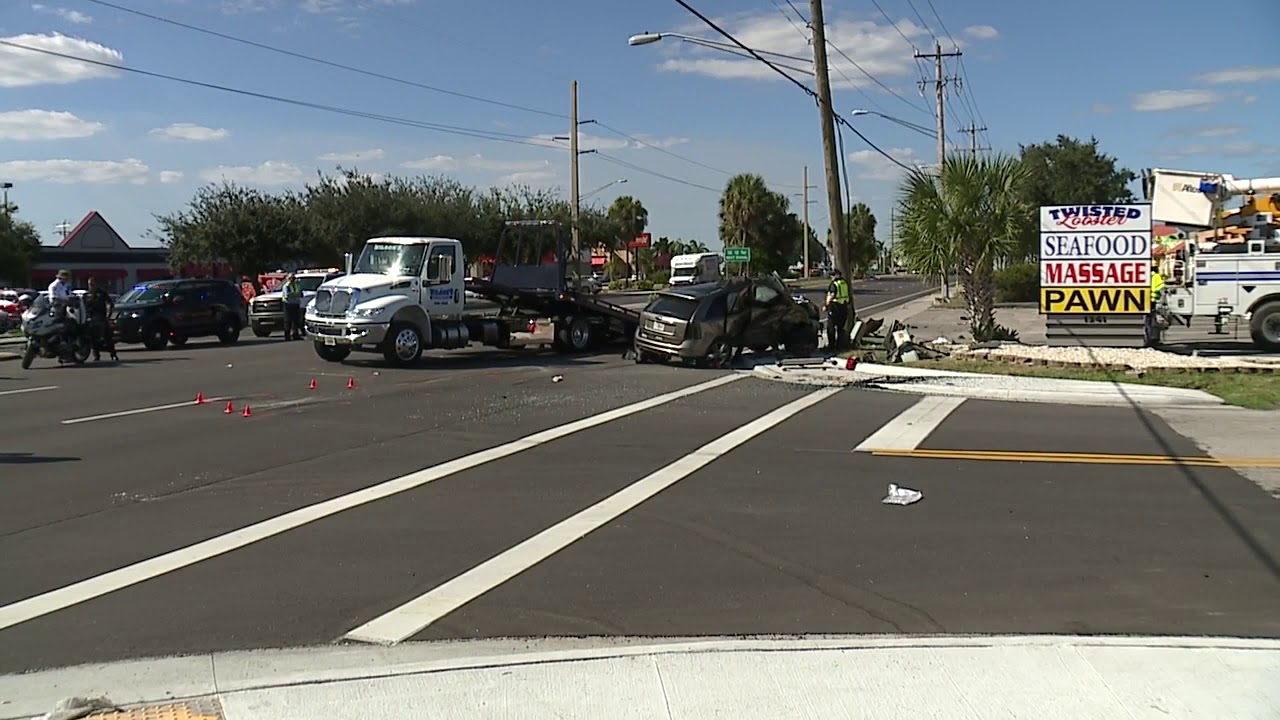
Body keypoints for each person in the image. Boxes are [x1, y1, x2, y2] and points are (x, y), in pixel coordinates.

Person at [84, 277, 117, 361]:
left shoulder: (102, 293)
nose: (91, 286)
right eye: (89, 284)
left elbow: (110, 304)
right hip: (90, 318)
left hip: (101, 317)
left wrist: (108, 315)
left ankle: (113, 354)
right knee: (94, 338)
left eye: (92, 284)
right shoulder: (86, 295)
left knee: (108, 337)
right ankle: (96, 355)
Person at [825, 269, 852, 351]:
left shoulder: (834, 284)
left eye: (833, 275)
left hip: (834, 307)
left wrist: (826, 305)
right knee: (840, 328)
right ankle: (839, 346)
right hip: (843, 307)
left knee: (831, 327)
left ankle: (831, 346)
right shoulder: (844, 283)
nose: (831, 277)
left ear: (837, 275)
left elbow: (832, 295)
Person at [281, 272, 302, 341]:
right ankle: (287, 336)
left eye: (293, 278)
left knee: (295, 320)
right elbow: (287, 296)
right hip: (288, 304)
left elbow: (301, 294)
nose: (293, 279)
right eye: (291, 278)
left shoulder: (296, 285)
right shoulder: (286, 286)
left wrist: (295, 295)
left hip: (296, 304)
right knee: (288, 320)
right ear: (288, 279)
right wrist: (296, 295)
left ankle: (295, 335)